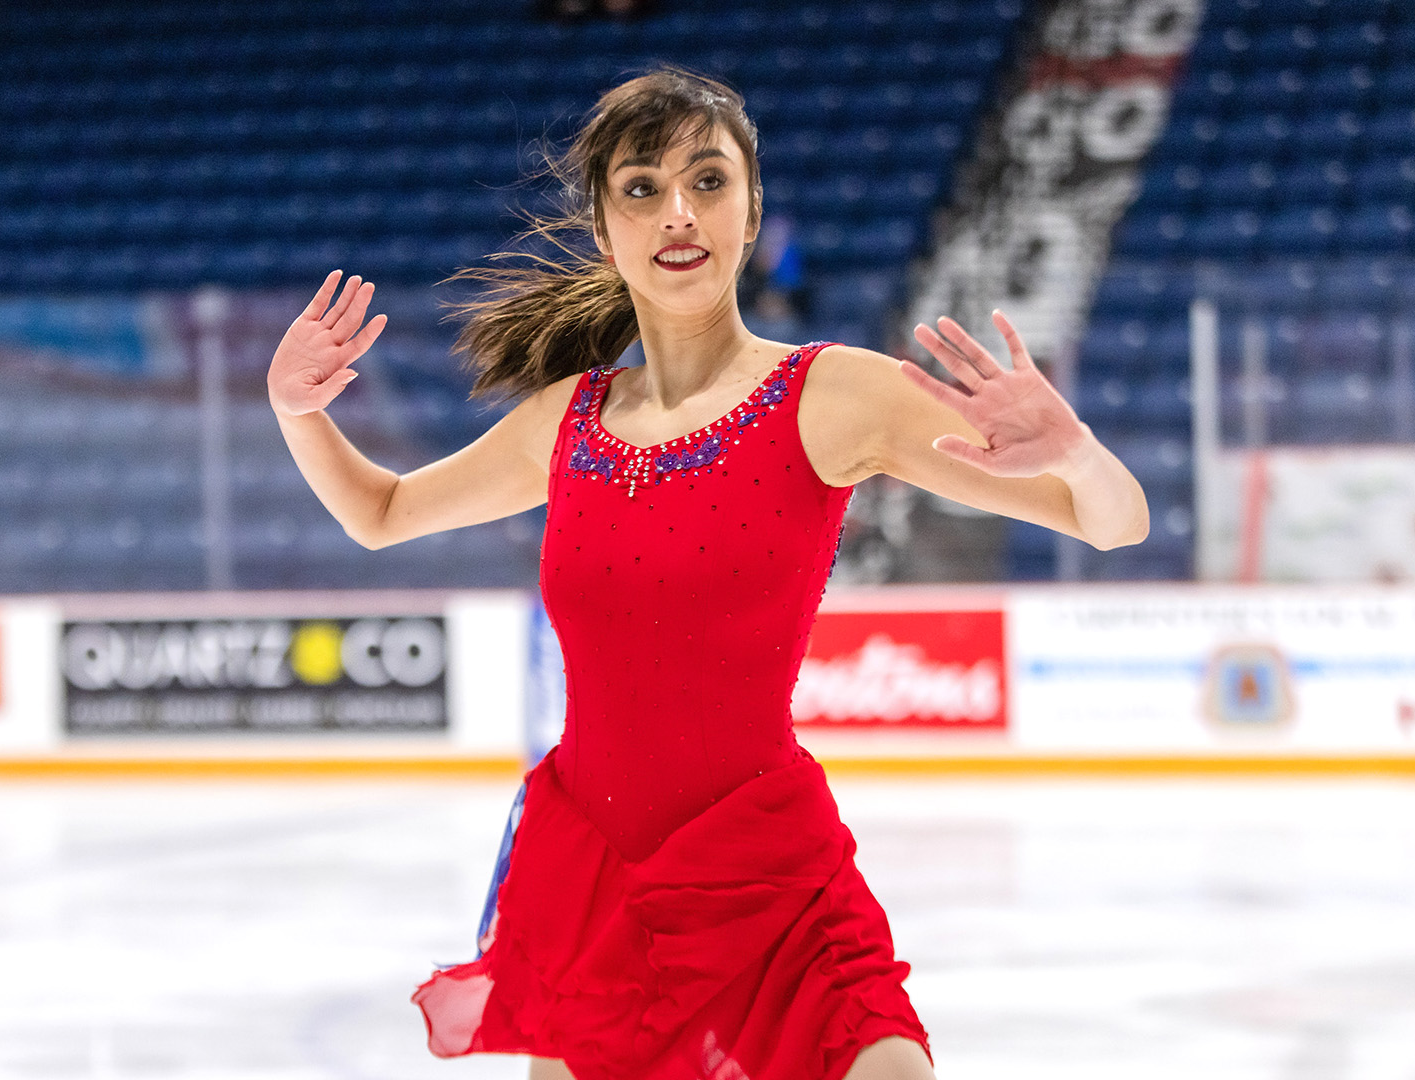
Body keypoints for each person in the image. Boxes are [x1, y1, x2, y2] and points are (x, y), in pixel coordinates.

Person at [267, 67, 1147, 1080]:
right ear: (605, 230)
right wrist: (302, 413)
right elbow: (380, 512)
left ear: (750, 209)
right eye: (642, 187)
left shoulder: (832, 395)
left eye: (708, 180)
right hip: (593, 879)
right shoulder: (567, 423)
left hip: (772, 878)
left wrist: (1075, 449)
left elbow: (1111, 522)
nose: (677, 212)